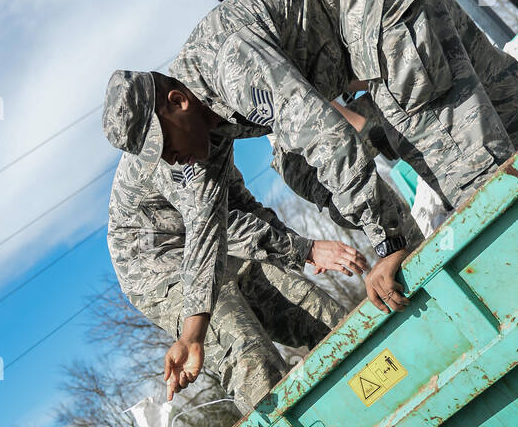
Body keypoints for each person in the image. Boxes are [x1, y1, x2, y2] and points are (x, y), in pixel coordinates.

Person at [104, 0, 518, 391]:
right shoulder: (202, 134)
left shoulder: (228, 66)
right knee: (495, 97)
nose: (170, 160)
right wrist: (193, 333)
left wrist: (389, 242)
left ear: (178, 102)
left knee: (445, 139)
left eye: (165, 145)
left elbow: (326, 138)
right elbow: (204, 227)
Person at [108, 140, 362, 412]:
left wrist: (299, 245)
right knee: (251, 356)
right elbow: (213, 223)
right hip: (159, 270)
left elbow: (243, 205)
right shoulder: (172, 145)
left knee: (317, 309)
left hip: (218, 248)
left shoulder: (212, 135)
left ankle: (383, 393)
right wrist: (305, 250)